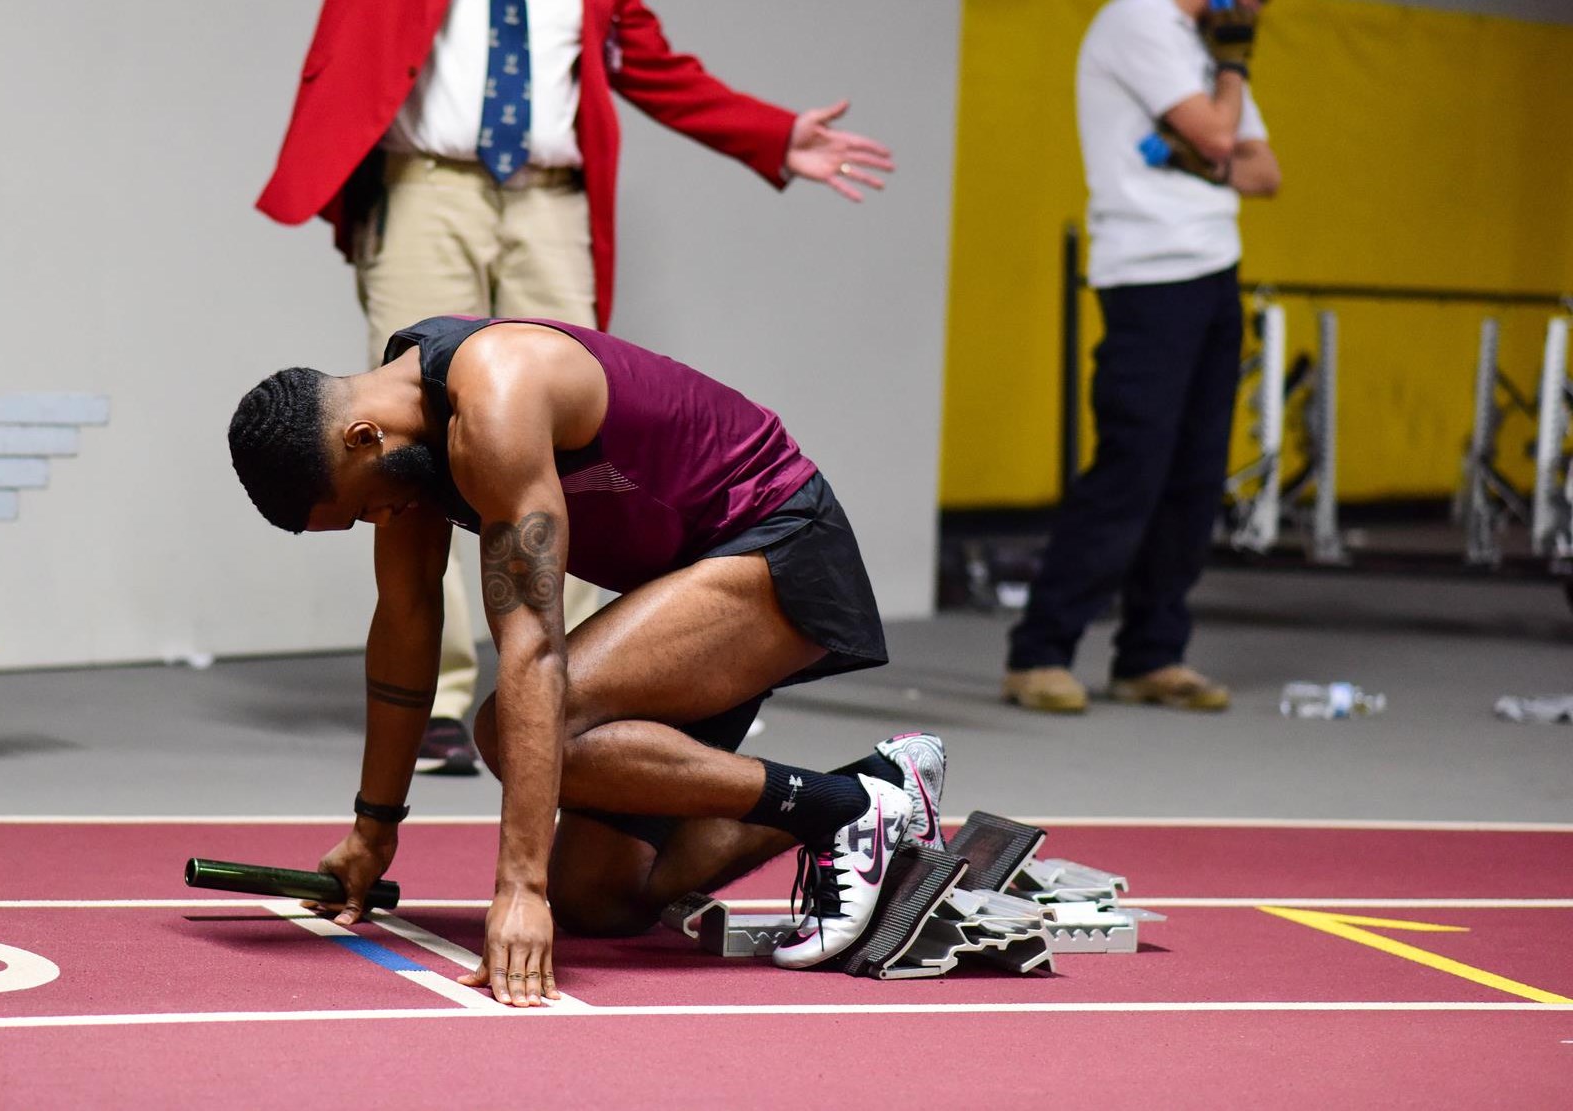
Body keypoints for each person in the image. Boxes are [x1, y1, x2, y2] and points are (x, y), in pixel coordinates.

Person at [227, 315, 947, 1005]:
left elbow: (534, 646)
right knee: (599, 896)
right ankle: (874, 789)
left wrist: (519, 888)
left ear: (361, 436)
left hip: (775, 538)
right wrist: (372, 828)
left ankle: (852, 813)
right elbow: (405, 625)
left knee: (508, 729)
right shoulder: (399, 445)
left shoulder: (496, 399)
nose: (382, 520)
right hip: (683, 583)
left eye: (365, 509)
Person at [257, 0, 895, 775]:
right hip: (427, 183)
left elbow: (649, 62)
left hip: (552, 195)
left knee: (560, 443)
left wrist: (769, 134)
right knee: (405, 443)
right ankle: (443, 700)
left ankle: (595, 678)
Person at [1004, 0, 1281, 713]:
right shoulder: (1139, 20)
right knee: (1132, 467)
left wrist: (1201, 156)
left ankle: (1151, 654)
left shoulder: (1203, 46)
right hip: (1147, 277)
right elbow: (1222, 136)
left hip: (1215, 271)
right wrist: (1229, 81)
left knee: (1195, 475)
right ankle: (1040, 652)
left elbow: (1264, 173)